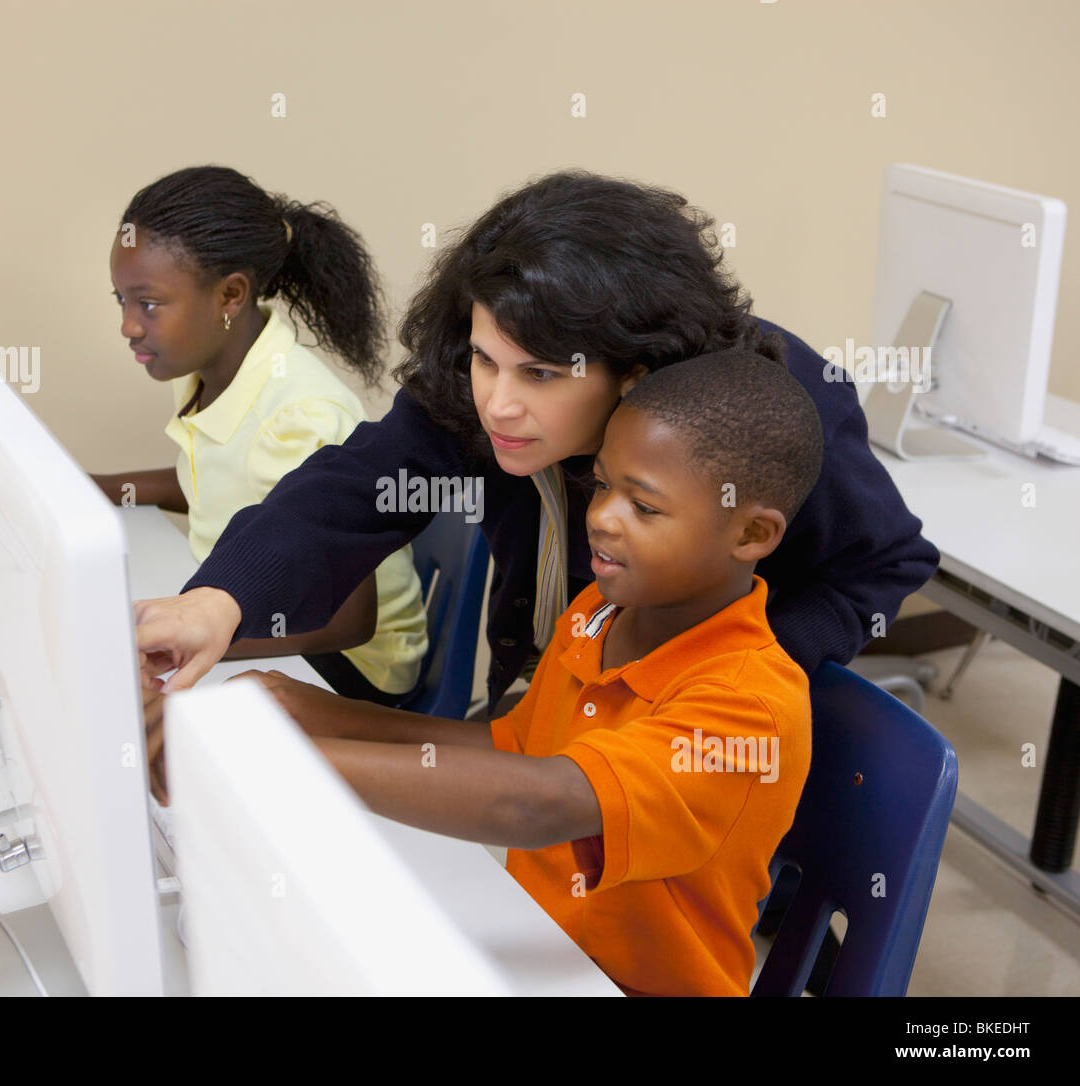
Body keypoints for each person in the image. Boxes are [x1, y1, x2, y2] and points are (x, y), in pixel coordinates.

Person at [131, 170, 939, 711]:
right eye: (485, 359)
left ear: (635, 373)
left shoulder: (770, 411)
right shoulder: (480, 386)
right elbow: (355, 486)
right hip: (554, 690)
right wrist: (220, 599)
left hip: (693, 721)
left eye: (541, 375)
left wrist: (729, 675)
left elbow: (883, 563)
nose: (497, 405)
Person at [218, 349, 822, 996]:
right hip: (535, 949)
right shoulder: (602, 609)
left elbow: (543, 800)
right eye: (601, 485)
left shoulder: (749, 704)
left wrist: (284, 761)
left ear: (752, 533)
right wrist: (305, 711)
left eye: (644, 508)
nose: (600, 517)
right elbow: (512, 747)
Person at [93, 165, 426, 705]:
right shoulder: (207, 371)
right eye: (121, 301)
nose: (129, 325)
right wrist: (107, 488)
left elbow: (351, 621)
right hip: (257, 604)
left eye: (148, 303)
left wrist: (204, 633)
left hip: (346, 665)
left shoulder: (299, 415)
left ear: (230, 295)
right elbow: (231, 484)